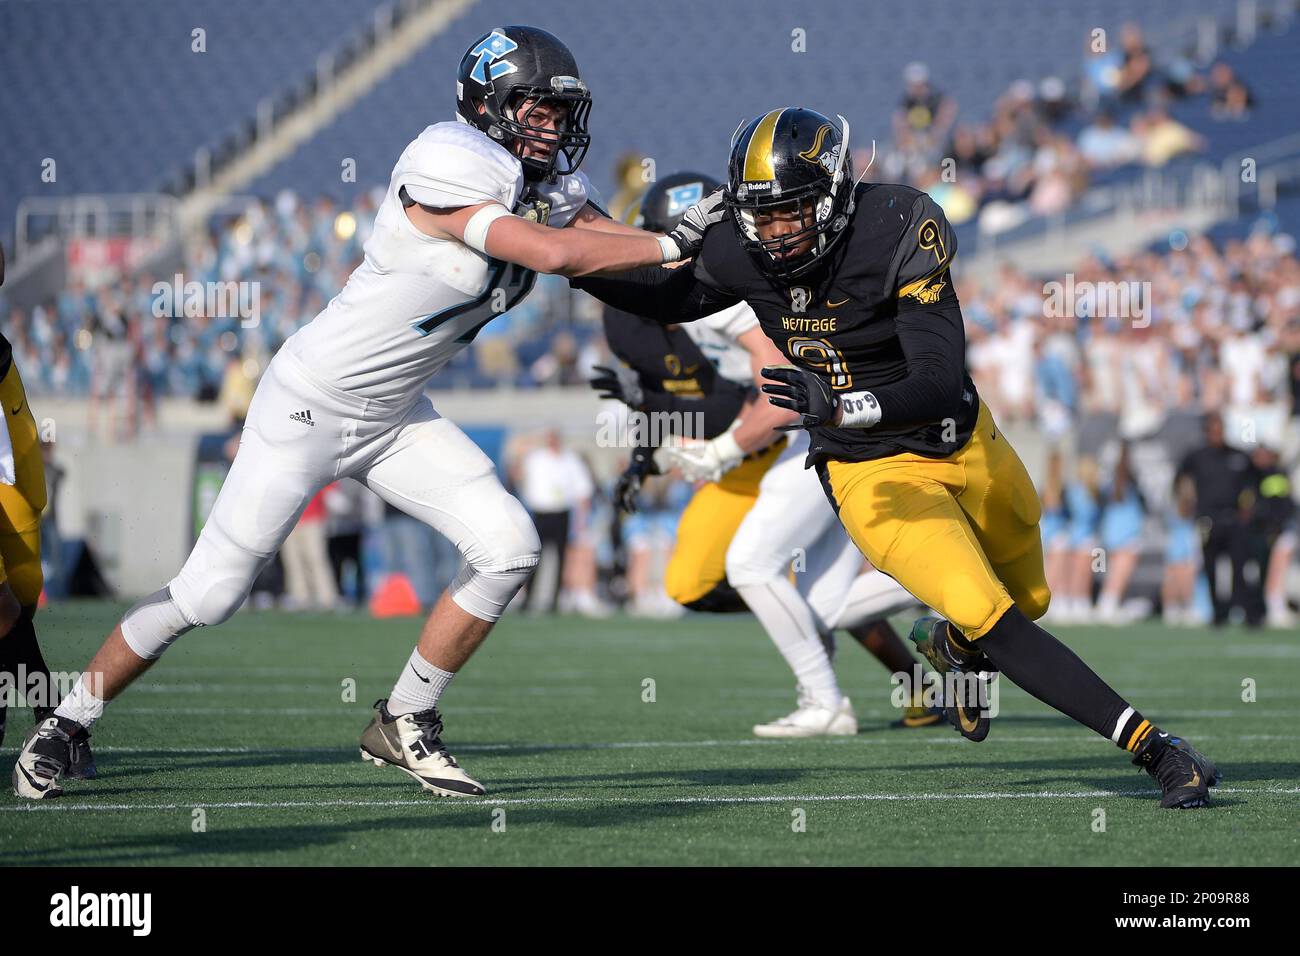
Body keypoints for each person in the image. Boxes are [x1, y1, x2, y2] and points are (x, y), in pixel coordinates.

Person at [13, 25, 724, 800]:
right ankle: (66, 721)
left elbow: (621, 247)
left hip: (394, 414)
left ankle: (404, 719)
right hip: (309, 405)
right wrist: (664, 246)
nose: (552, 125)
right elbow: (553, 254)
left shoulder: (548, 186)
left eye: (561, 110)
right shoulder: (448, 160)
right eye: (536, 107)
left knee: (510, 545)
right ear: (486, 105)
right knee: (209, 594)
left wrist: (717, 247)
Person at [576, 106, 1219, 808]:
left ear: (833, 194)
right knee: (990, 611)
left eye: (791, 211)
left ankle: (953, 647)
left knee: (1030, 599)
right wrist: (562, 256)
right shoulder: (738, 250)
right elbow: (661, 295)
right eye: (761, 214)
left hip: (963, 439)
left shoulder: (897, 225)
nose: (775, 231)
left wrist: (841, 402)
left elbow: (938, 376)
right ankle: (1156, 750)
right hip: (870, 473)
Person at [597, 171, 936, 736]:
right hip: (819, 434)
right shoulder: (710, 295)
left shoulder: (733, 296)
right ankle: (953, 592)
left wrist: (724, 449)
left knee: (751, 564)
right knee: (824, 609)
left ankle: (825, 701)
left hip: (819, 434)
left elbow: (783, 395)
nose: (681, 256)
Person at [0, 241, 96, 778]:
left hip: (7, 447)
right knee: (3, 604)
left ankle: (49, 723)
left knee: (22, 589)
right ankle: (54, 725)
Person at [1175, 413, 1258, 627]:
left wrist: (1247, 509)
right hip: (1206, 520)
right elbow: (1181, 479)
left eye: (1220, 429)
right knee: (1210, 567)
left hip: (1233, 519)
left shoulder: (1238, 456)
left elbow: (1252, 485)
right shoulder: (1196, 456)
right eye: (1213, 430)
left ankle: (1246, 612)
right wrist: (1184, 502)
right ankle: (1218, 613)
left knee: (1240, 567)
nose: (1217, 434)